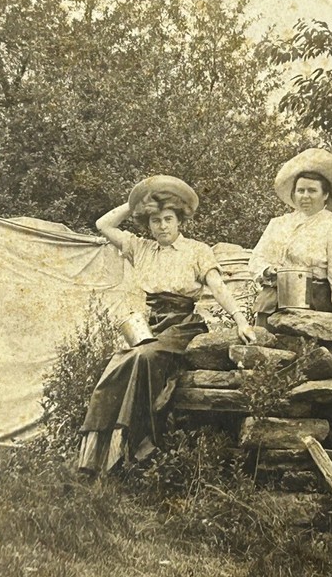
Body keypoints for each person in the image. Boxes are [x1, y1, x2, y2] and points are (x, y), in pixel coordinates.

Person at [79, 175, 256, 474]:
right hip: (152, 325)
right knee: (117, 365)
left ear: (179, 221)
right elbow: (103, 225)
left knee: (145, 357)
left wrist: (240, 320)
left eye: (168, 219)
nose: (162, 226)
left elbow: (218, 286)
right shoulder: (141, 248)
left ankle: (144, 446)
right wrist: (137, 201)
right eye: (155, 220)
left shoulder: (198, 250)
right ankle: (102, 457)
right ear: (148, 224)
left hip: (184, 324)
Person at [249, 148, 332, 323]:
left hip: (313, 307)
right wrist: (268, 270)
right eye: (300, 191)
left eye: (312, 191)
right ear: (293, 194)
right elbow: (257, 259)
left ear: (325, 195)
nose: (305, 196)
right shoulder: (278, 224)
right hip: (271, 304)